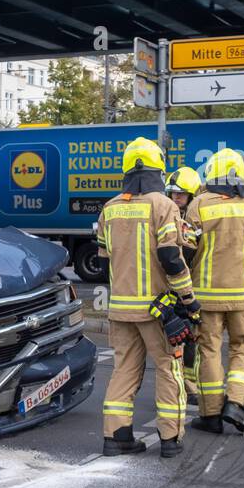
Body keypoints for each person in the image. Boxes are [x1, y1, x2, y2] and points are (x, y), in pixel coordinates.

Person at [96, 137, 199, 459]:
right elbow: (171, 257)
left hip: (120, 309)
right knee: (169, 369)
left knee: (124, 369)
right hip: (158, 310)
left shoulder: (110, 209)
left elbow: (103, 262)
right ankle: (170, 439)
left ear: (127, 168)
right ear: (158, 169)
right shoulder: (164, 205)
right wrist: (189, 300)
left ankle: (116, 436)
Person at [185, 148, 244, 434]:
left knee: (208, 351)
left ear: (211, 172)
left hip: (206, 296)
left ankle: (210, 416)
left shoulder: (198, 204)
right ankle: (237, 404)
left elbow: (187, 247)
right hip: (243, 297)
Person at [166, 166, 203, 405]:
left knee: (191, 343)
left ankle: (190, 386)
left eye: (181, 194)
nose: (176, 197)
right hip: (170, 291)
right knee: (174, 345)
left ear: (191, 196)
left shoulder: (193, 219)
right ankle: (180, 388)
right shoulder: (164, 215)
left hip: (188, 289)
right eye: (173, 193)